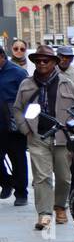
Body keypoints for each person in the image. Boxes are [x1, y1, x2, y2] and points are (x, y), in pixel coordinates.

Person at [14, 45, 74, 230]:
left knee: (64, 177)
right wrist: (24, 128)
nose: (41, 63)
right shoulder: (26, 84)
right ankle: (44, 214)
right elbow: (17, 108)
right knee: (41, 177)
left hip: (62, 137)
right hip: (37, 137)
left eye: (46, 60)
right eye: (38, 61)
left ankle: (60, 207)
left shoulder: (67, 83)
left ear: (54, 63)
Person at [0, 45, 30, 205]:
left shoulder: (18, 73)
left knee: (18, 160)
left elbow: (30, 97)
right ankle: (6, 182)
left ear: (1, 56)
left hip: (13, 126)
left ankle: (21, 193)